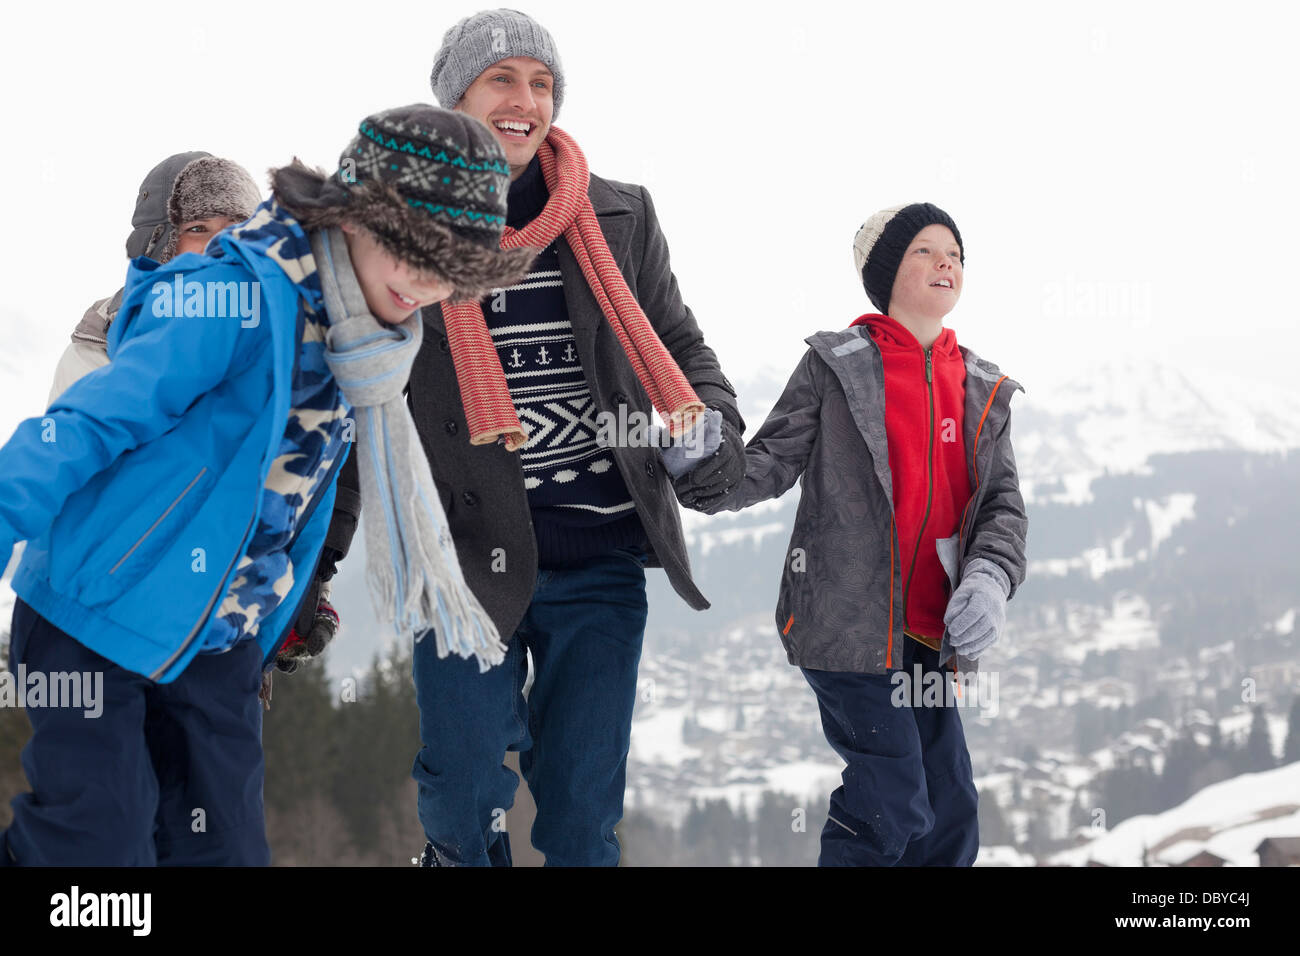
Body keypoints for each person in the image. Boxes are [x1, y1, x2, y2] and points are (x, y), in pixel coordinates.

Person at [0, 104, 530, 865]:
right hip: (98, 612)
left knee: (223, 852)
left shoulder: (368, 347)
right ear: (352, 218)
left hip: (221, 639)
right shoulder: (237, 295)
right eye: (410, 246)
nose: (426, 277)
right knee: (98, 845)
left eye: (451, 264)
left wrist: (287, 602)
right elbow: (91, 419)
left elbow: (301, 496)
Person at [409, 8, 745, 866]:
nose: (526, 101)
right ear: (455, 99)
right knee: (461, 796)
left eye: (542, 84)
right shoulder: (394, 233)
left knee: (581, 818)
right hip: (464, 562)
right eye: (502, 81)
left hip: (599, 557)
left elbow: (682, 346)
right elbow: (348, 390)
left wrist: (707, 426)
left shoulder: (618, 217)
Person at [692, 203, 1028, 866]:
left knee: (949, 803)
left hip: (934, 634)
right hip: (845, 627)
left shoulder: (984, 387)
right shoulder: (836, 365)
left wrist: (989, 578)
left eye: (955, 254)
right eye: (925, 252)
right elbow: (767, 465)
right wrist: (701, 463)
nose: (946, 263)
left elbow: (1003, 509)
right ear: (884, 274)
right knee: (892, 792)